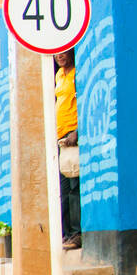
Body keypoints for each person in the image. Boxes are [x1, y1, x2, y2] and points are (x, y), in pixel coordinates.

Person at [54, 50, 81, 250]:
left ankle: (76, 234)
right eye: (55, 53)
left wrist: (77, 132)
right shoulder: (59, 75)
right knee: (63, 189)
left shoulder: (76, 74)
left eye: (63, 52)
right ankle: (66, 234)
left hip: (72, 136)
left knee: (73, 187)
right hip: (60, 136)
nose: (59, 56)